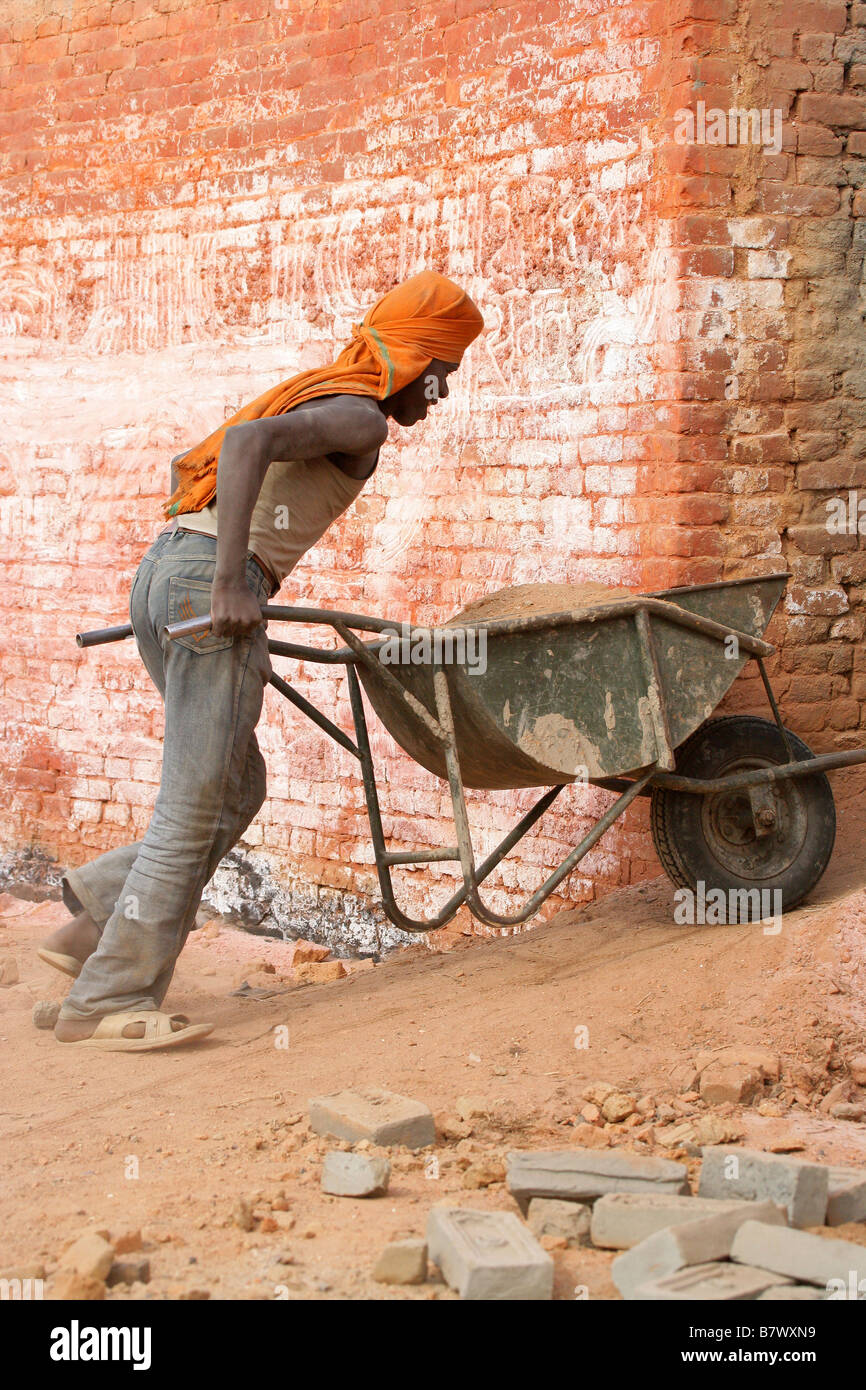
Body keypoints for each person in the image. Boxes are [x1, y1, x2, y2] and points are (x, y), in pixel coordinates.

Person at [39, 270, 484, 1050]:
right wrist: (230, 581)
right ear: (416, 359)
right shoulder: (358, 416)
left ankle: (100, 918)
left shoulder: (330, 398)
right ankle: (110, 998)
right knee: (197, 801)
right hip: (208, 583)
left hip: (165, 576)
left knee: (237, 785)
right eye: (442, 374)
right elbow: (247, 443)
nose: (439, 396)